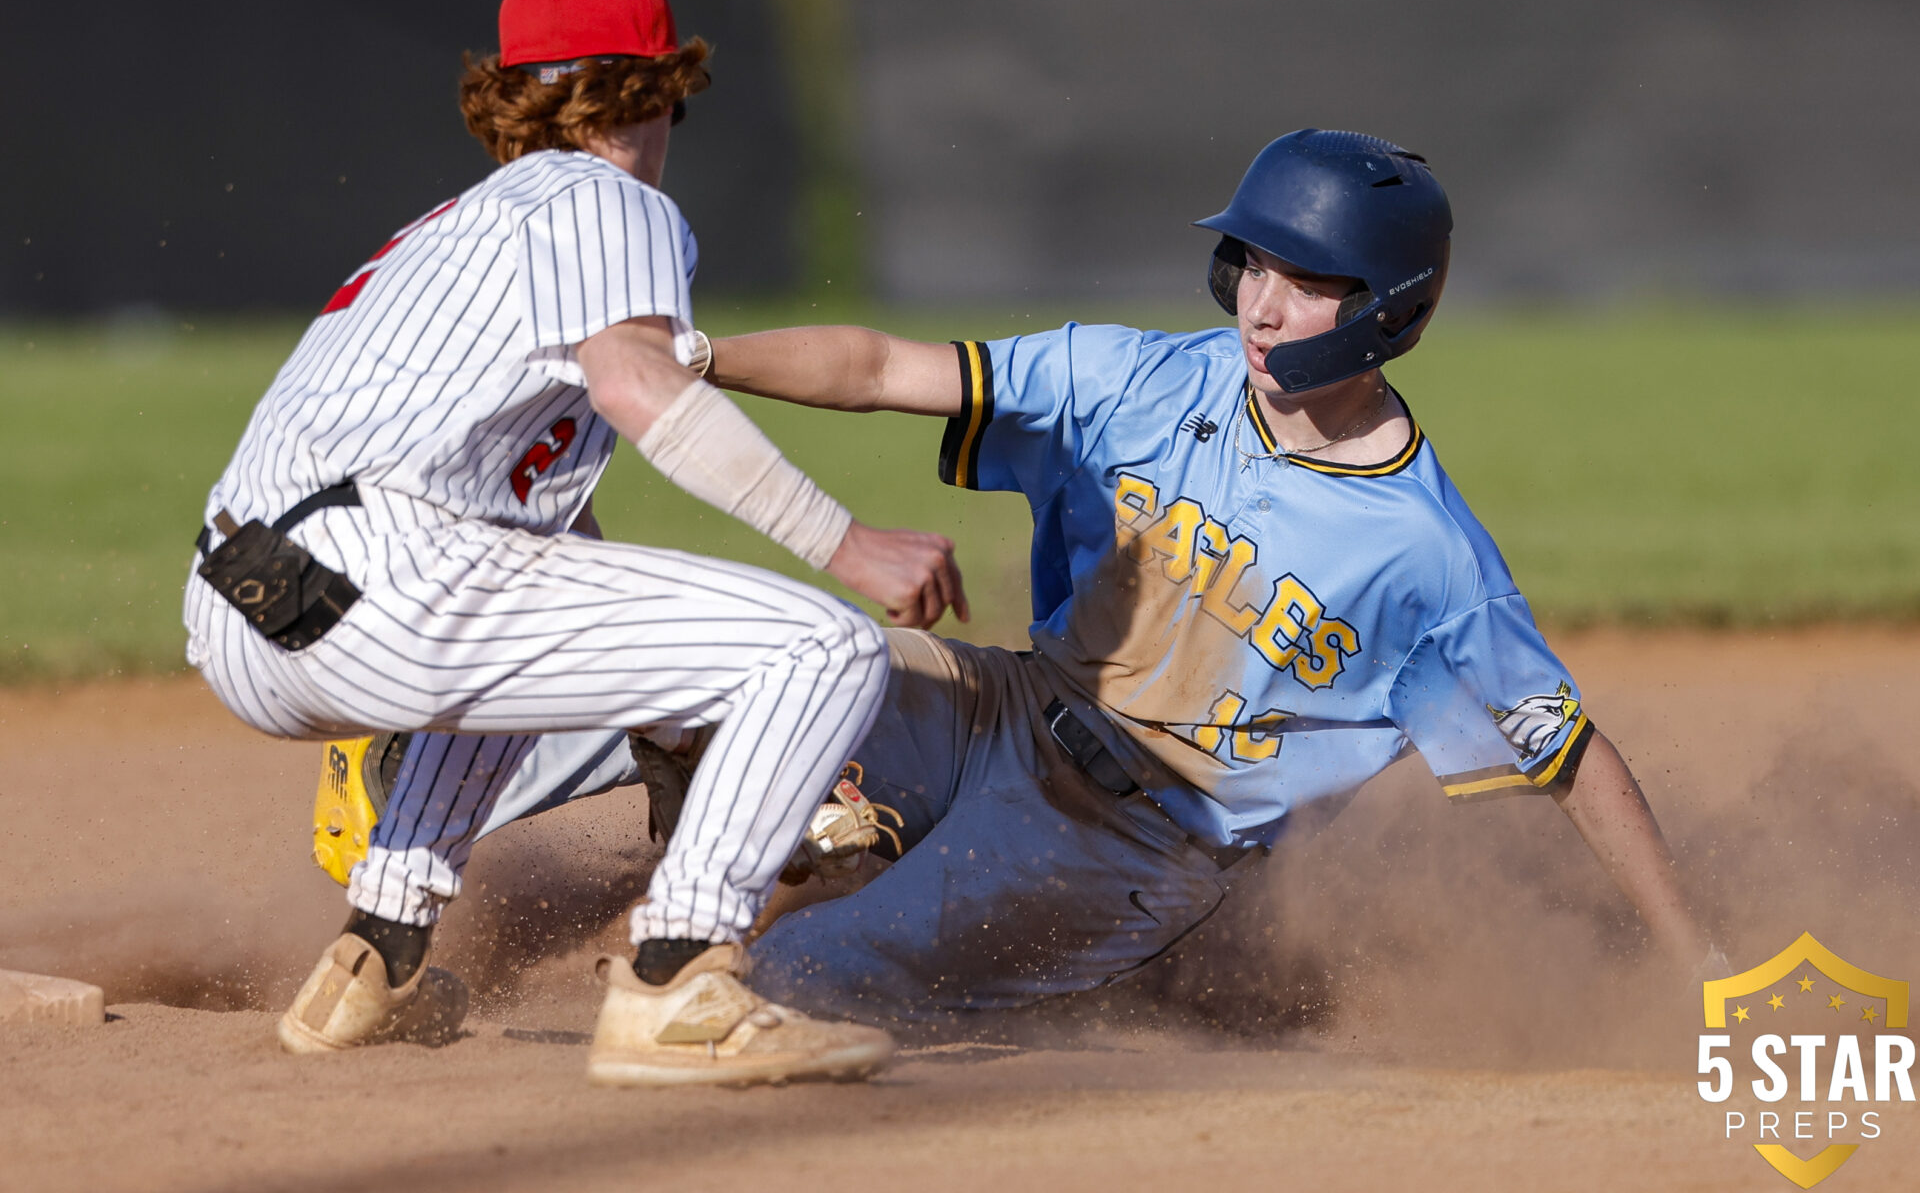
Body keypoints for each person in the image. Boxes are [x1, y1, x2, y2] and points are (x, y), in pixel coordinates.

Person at [316, 129, 1714, 1022]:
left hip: (1136, 842)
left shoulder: (1424, 556)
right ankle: (487, 830)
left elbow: (1566, 752)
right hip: (998, 707)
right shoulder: (1147, 379)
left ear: (1389, 314)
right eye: (1250, 264)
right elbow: (877, 370)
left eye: (1307, 282)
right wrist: (686, 362)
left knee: (800, 985)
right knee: (772, 658)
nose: (1260, 304)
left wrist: (1688, 955)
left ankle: (816, 883)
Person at [184, 0, 965, 1085]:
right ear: (656, 88)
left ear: (511, 92)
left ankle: (376, 956)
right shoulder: (611, 199)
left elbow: (550, 552)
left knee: (523, 580)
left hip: (239, 614)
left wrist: (661, 704)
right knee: (823, 644)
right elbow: (643, 388)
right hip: (383, 574)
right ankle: (680, 979)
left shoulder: (451, 227)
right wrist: (852, 545)